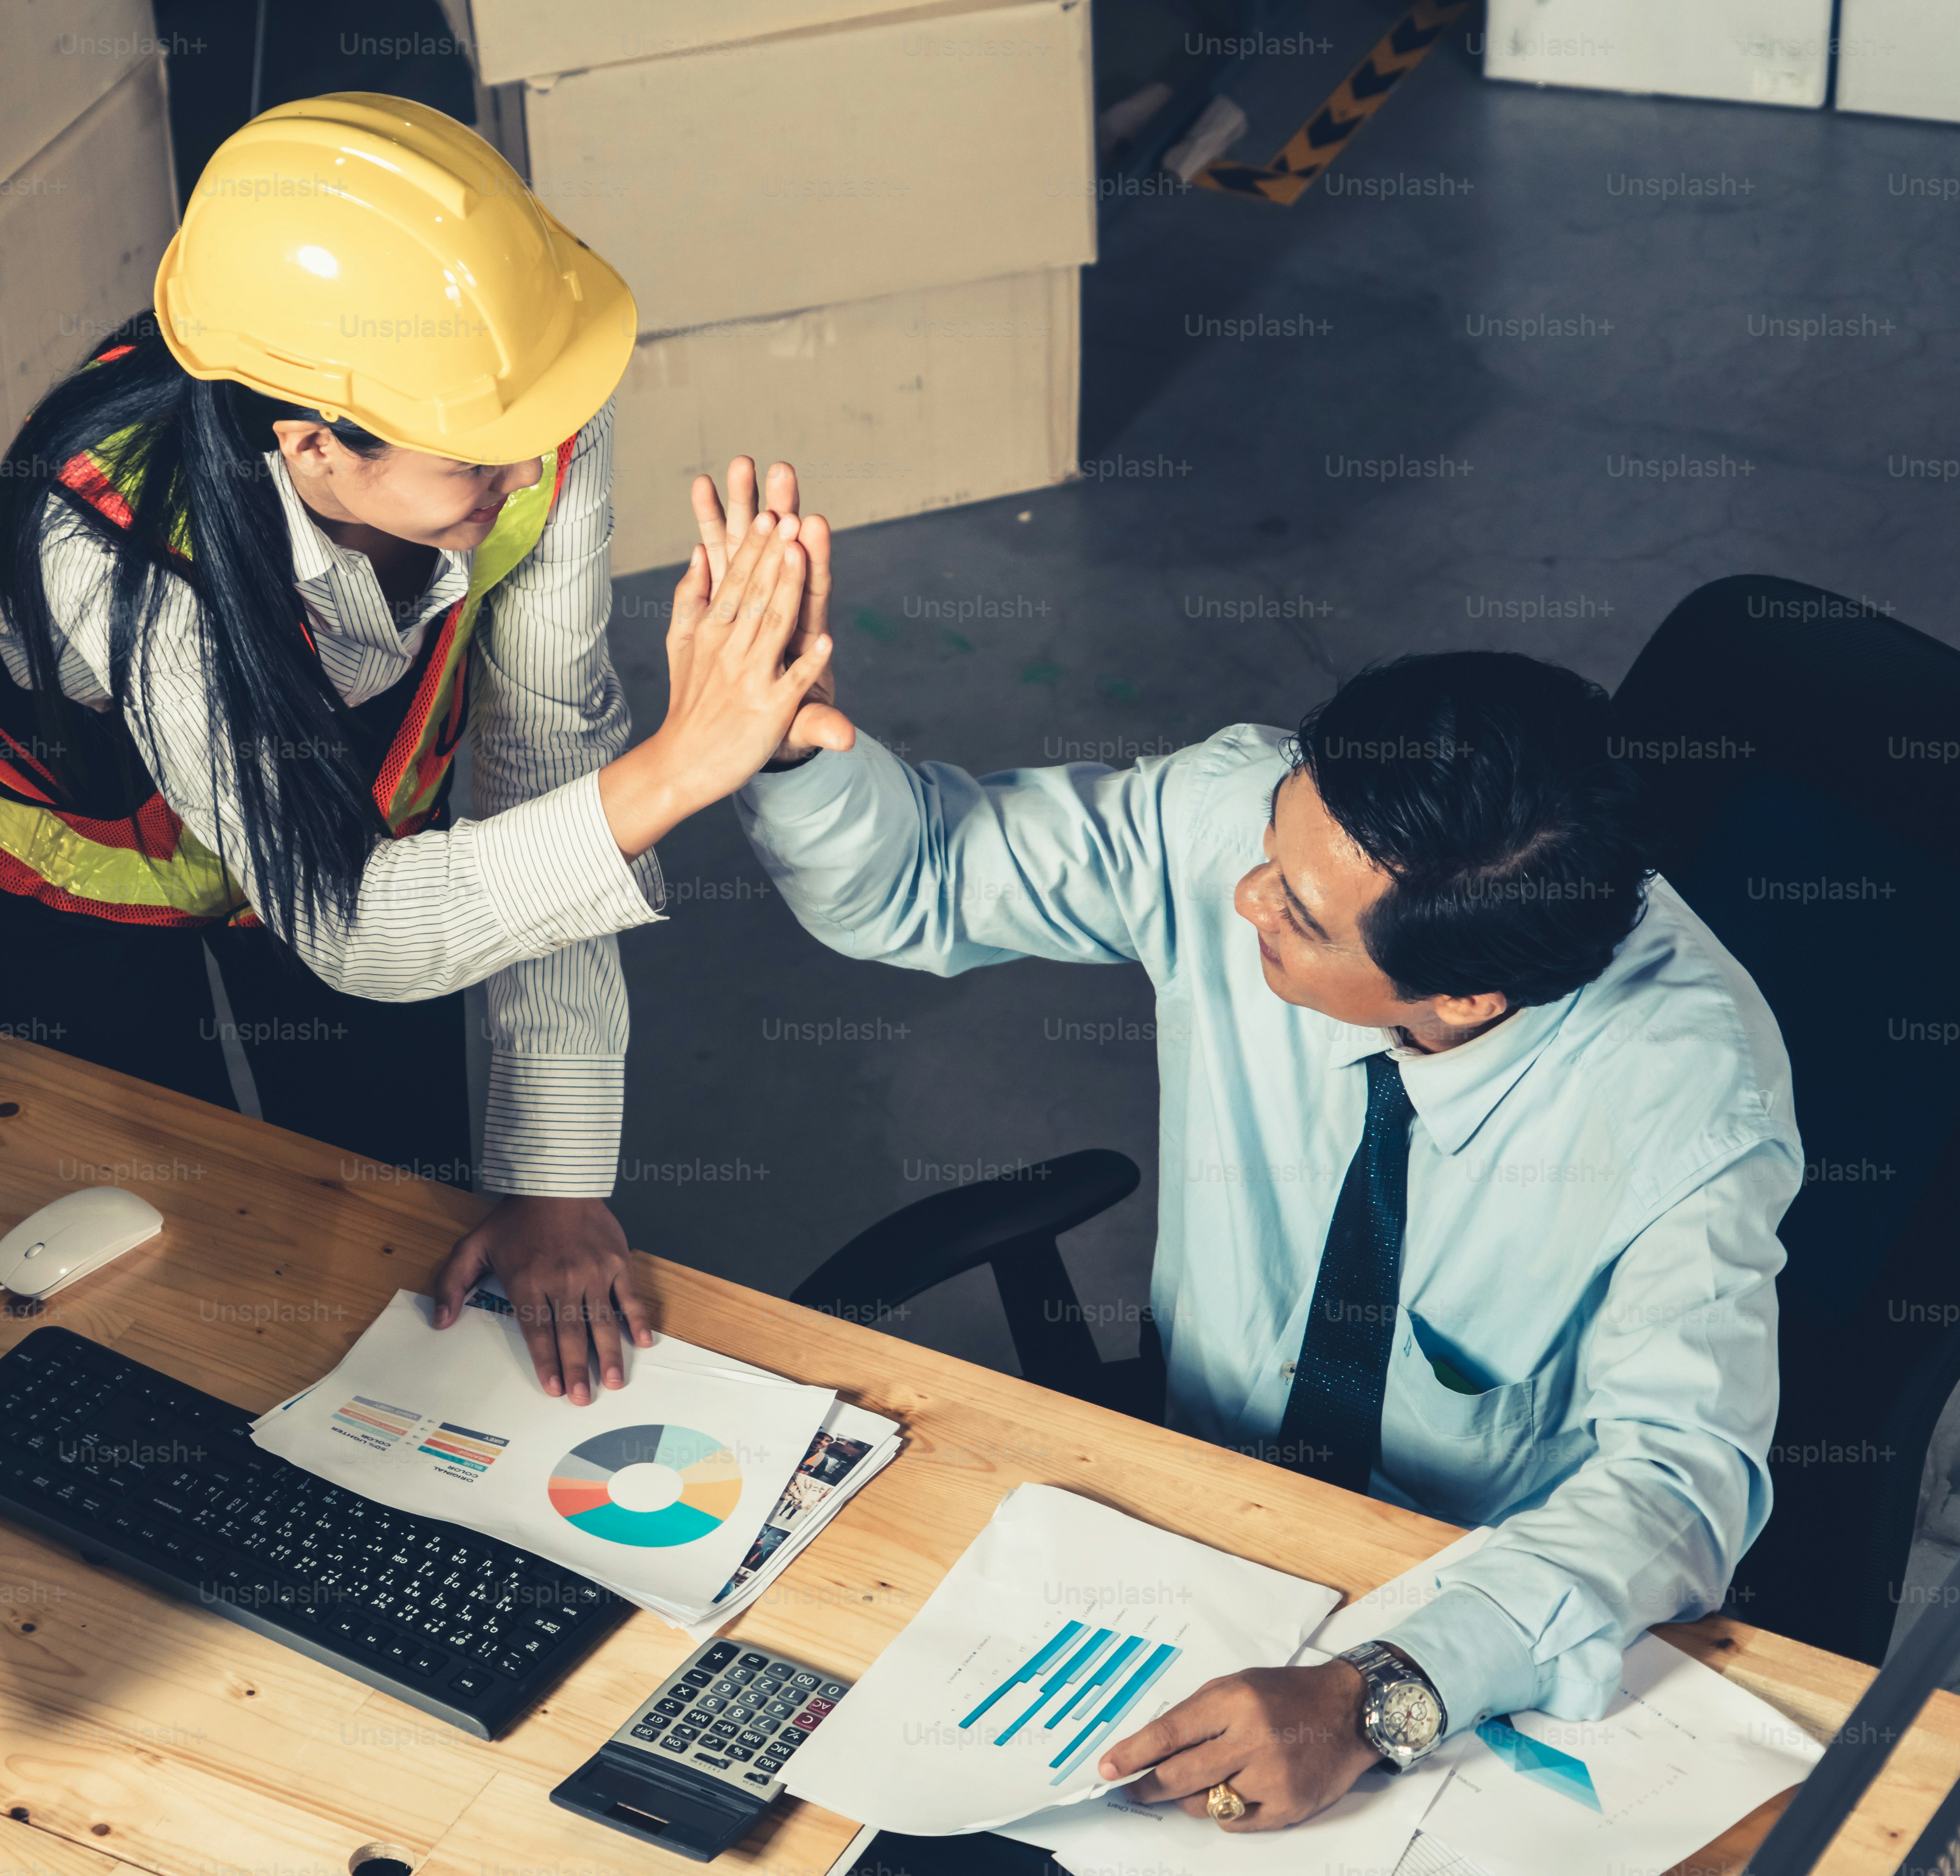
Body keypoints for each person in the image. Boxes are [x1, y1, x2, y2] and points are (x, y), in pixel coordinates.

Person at [734, 649, 1799, 1830]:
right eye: (1272, 850)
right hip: (1187, 1512)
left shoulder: (1691, 1098)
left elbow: (1678, 1487)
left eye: (1297, 911)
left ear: (1463, 1001)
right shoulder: (1250, 825)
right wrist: (789, 747)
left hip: (1465, 1605)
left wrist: (1379, 1695)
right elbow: (918, 874)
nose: (1246, 895)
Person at [0, 93, 848, 1404]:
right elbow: (351, 927)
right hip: (82, 898)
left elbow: (541, 763)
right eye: (477, 465)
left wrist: (554, 1184)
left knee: (387, 1229)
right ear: (309, 444)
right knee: (133, 1277)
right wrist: (684, 765)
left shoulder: (512, 399)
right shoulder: (104, 541)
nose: (534, 474)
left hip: (363, 837)